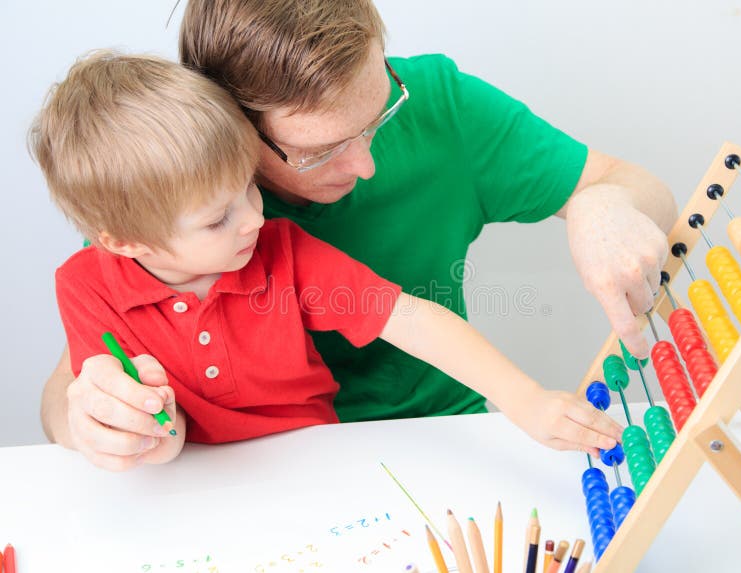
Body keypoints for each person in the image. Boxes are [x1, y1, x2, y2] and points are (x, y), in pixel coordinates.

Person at [40, 0, 676, 471]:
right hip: (230, 480)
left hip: (434, 445)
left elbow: (640, 189)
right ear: (227, 124)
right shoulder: (163, 186)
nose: (366, 165)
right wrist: (93, 421)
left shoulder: (441, 107)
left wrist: (603, 200)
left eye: (379, 116)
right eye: (319, 150)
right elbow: (80, 383)